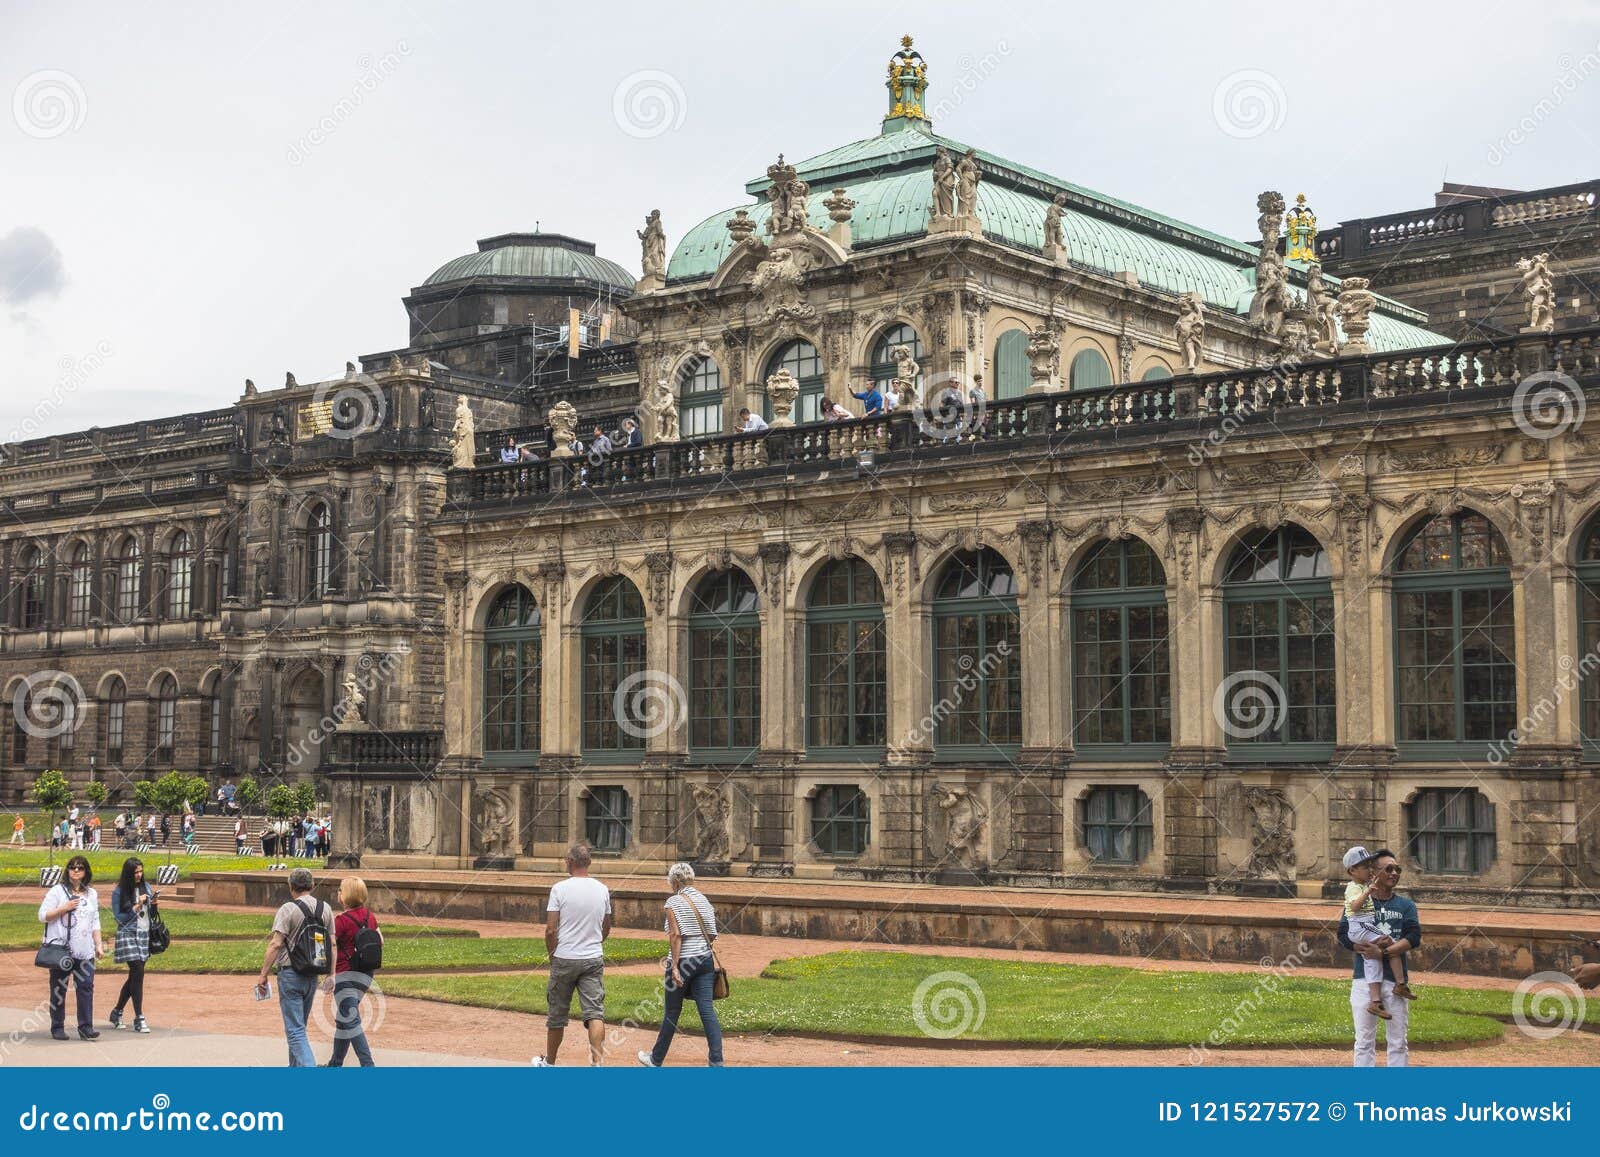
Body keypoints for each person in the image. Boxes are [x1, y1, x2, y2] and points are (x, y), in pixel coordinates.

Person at [1335, 850, 1421, 1068]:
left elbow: (1413, 937)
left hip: (1395, 981)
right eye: (1388, 869)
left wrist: (1382, 953)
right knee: (1364, 1042)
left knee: (1398, 1042)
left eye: (1397, 869)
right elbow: (1343, 935)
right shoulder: (1358, 899)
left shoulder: (1406, 905)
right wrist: (1361, 948)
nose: (1394, 873)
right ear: (1373, 872)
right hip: (1364, 979)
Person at [637, 862, 724, 1068]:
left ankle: (655, 1059)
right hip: (704, 960)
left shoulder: (673, 902)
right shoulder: (704, 900)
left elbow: (675, 936)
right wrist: (700, 950)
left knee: (672, 1011)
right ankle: (716, 1061)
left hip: (683, 961)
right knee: (707, 1010)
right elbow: (712, 934)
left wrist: (675, 966)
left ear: (675, 882)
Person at [533, 844, 612, 1067]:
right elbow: (606, 928)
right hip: (592, 957)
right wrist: (595, 943)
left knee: (557, 1015)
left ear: (570, 862)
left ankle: (550, 1062)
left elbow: (550, 929)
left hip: (565, 957)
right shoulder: (602, 889)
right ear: (588, 863)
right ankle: (597, 1064)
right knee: (595, 1013)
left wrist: (552, 955)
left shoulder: (559, 889)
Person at [254, 867, 331, 1067]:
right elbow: (332, 943)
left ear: (291, 887)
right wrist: (331, 974)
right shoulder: (325, 908)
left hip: (290, 972)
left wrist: (263, 974)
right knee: (299, 1028)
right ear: (312, 886)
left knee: (295, 1030)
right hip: (313, 972)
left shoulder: (288, 909)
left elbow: (276, 943)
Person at [38, 854, 105, 1041]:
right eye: (72, 867)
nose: (76, 870)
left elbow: (95, 921)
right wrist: (63, 908)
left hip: (85, 950)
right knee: (59, 989)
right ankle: (57, 1026)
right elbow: (42, 916)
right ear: (67, 871)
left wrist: (98, 944)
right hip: (62, 950)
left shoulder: (92, 894)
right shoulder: (57, 892)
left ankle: (86, 1027)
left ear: (86, 872)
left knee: (86, 988)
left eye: (80, 867)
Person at [324, 875, 382, 1067]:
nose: (338, 893)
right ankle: (335, 1063)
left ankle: (368, 1064)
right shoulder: (370, 916)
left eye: (341, 890)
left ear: (345, 896)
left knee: (350, 1020)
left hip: (345, 974)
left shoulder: (340, 921)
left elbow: (330, 946)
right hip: (365, 973)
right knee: (344, 1018)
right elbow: (380, 940)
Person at [1341, 846, 1393, 1020]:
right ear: (1352, 870)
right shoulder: (1355, 889)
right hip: (1360, 928)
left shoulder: (1363, 887)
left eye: (1372, 866)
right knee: (1389, 941)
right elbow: (1352, 914)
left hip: (1362, 929)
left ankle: (1376, 1001)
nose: (1370, 870)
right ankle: (1398, 984)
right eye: (1365, 867)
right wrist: (1368, 891)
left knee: (1373, 960)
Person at [109, 857, 156, 1033]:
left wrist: (154, 904)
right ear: (128, 873)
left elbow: (150, 913)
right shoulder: (119, 891)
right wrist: (136, 906)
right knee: (137, 970)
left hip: (144, 934)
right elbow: (119, 917)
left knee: (135, 975)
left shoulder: (147, 887)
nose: (139, 875)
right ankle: (139, 1016)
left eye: (141, 871)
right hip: (127, 933)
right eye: (136, 872)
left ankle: (117, 1011)